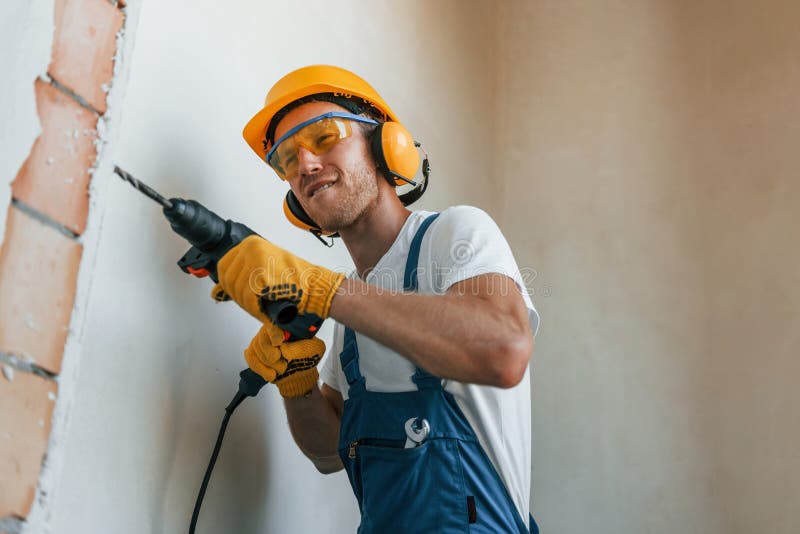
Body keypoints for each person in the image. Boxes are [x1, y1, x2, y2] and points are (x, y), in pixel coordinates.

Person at [213, 65, 541, 533]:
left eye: (325, 136)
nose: (304, 165)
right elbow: (329, 452)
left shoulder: (454, 232)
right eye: (287, 159)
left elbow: (504, 350)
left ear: (385, 144)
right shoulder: (348, 316)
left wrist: (325, 291)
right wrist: (296, 380)